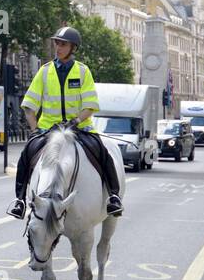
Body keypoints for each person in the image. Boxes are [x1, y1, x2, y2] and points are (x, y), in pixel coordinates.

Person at [7, 26, 120, 219]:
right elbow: (29, 106)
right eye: (57, 43)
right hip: (48, 130)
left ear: (73, 47)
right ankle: (19, 200)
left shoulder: (83, 72)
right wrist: (35, 130)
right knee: (26, 154)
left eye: (63, 44)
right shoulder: (44, 72)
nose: (58, 47)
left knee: (103, 152)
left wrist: (76, 121)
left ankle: (114, 196)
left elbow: (90, 105)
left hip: (79, 129)